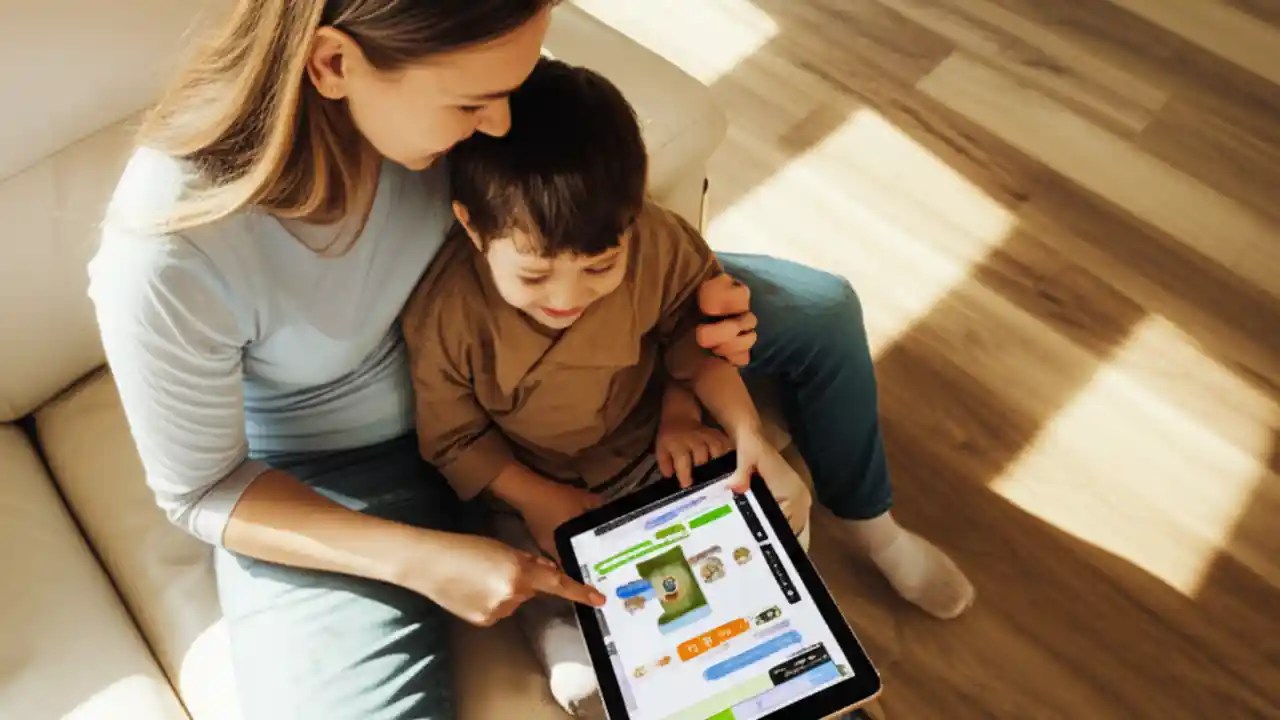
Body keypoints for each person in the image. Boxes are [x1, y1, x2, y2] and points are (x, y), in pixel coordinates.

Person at [87, 1, 972, 718]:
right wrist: (422, 558)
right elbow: (201, 492)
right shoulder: (168, 251)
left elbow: (589, 188)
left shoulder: (464, 81)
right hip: (344, 460)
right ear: (332, 64)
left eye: (510, 89)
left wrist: (701, 327)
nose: (502, 122)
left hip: (547, 328)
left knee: (819, 309)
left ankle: (869, 520)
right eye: (474, 105)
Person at [402, 58, 814, 717]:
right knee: (538, 577)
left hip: (650, 448)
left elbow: (692, 339)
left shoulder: (661, 245)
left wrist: (711, 422)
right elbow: (455, 440)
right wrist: (538, 498)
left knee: (755, 542)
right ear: (473, 227)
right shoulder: (446, 316)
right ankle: (568, 638)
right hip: (530, 482)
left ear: (631, 222)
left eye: (600, 267)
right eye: (534, 276)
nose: (567, 298)